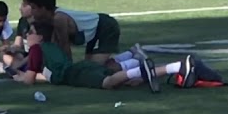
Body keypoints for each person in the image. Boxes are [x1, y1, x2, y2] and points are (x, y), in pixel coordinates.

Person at [9, 21, 169, 93]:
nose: (28, 35)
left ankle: (139, 66)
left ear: (40, 37)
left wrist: (22, 78)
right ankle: (173, 68)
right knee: (131, 82)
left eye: (31, 33)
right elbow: (48, 74)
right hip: (79, 68)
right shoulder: (50, 47)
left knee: (108, 83)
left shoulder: (37, 49)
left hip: (75, 74)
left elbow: (29, 80)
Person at [27, 0, 122, 64]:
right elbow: (55, 42)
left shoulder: (59, 19)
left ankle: (129, 59)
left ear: (43, 8)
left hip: (105, 26)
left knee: (95, 67)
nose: (31, 11)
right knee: (89, 65)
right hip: (94, 33)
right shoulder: (50, 18)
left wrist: (68, 68)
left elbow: (64, 45)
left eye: (34, 8)